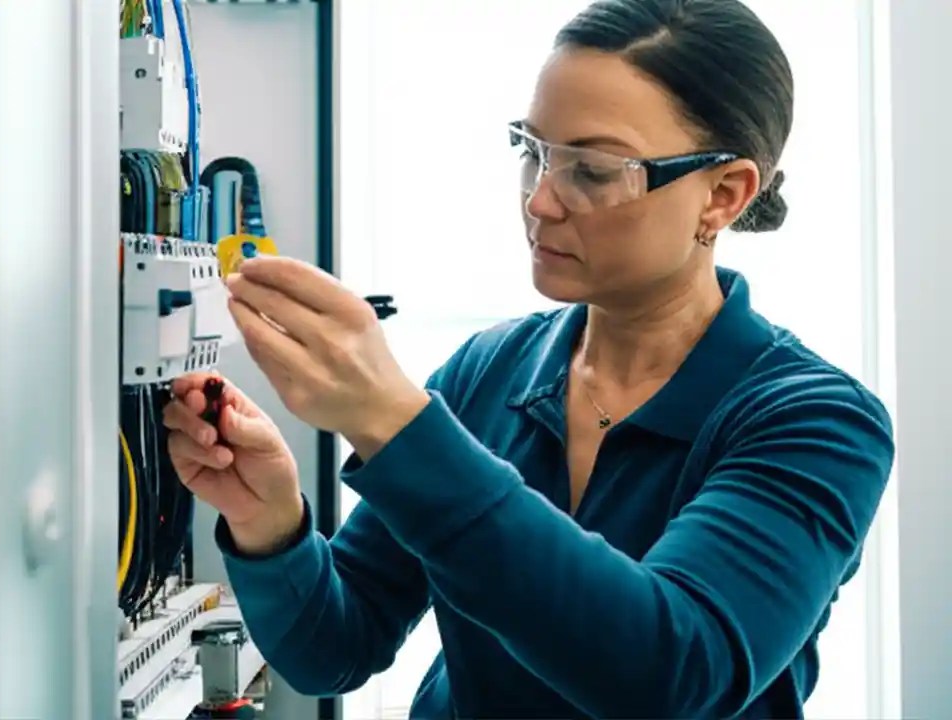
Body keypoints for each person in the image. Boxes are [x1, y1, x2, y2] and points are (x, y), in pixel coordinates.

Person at [163, 0, 894, 717]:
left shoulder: (818, 423)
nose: (540, 201)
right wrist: (271, 522)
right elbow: (336, 648)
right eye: (532, 151)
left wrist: (393, 422)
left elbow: (667, 676)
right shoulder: (490, 371)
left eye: (594, 171)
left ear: (724, 195)